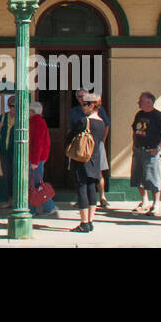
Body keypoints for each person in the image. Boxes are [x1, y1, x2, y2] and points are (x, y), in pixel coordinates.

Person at [67, 95, 107, 232]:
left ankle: (84, 222)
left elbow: (70, 136)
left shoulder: (83, 122)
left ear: (92, 105)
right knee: (91, 188)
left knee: (81, 188)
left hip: (81, 159)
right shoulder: (101, 123)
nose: (82, 107)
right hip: (94, 159)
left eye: (84, 104)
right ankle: (90, 221)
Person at [68, 89, 112, 207]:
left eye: (84, 96)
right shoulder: (74, 111)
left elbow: (106, 125)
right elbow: (70, 128)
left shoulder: (98, 110)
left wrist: (101, 140)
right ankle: (82, 200)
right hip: (80, 147)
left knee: (98, 172)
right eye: (80, 96)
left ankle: (102, 197)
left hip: (96, 145)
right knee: (81, 176)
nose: (82, 98)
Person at [131, 91, 161, 215]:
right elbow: (135, 130)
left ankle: (156, 205)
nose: (138, 102)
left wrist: (157, 149)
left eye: (141, 100)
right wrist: (134, 145)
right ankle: (144, 202)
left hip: (151, 151)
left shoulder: (158, 116)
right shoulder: (139, 114)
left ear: (149, 102)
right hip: (139, 149)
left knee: (153, 178)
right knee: (138, 177)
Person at [27, 100, 56, 216]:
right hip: (37, 158)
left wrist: (34, 161)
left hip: (36, 159)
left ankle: (49, 206)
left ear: (32, 111)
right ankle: (33, 209)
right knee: (34, 184)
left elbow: (38, 143)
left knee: (35, 185)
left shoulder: (37, 122)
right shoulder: (37, 122)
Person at [0, 95, 16, 206]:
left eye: (15, 106)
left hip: (16, 152)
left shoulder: (22, 118)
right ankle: (10, 200)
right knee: (7, 175)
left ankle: (17, 200)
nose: (13, 108)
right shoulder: (3, 116)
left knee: (16, 175)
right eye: (11, 106)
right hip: (4, 150)